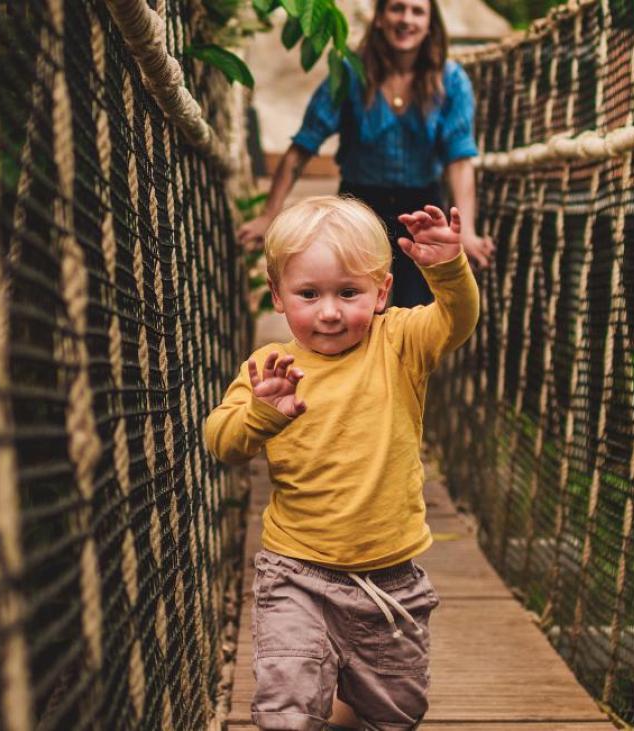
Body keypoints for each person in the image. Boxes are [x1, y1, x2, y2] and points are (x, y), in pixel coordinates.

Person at [206, 196, 478, 729]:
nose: (329, 311)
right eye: (309, 294)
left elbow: (457, 320)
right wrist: (262, 414)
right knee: (286, 705)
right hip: (295, 571)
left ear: (381, 292)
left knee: (393, 711)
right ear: (278, 298)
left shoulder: (398, 342)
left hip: (389, 576)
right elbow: (221, 441)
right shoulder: (269, 368)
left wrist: (448, 267)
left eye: (348, 293)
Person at [237, 0, 494, 307]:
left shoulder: (450, 81)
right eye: (396, 8)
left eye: (417, 11)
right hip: (358, 208)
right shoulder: (351, 74)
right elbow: (302, 148)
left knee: (418, 313)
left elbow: (460, 160)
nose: (406, 19)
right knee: (357, 308)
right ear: (381, 18)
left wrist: (467, 232)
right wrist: (268, 215)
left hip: (422, 211)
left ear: (430, 24)